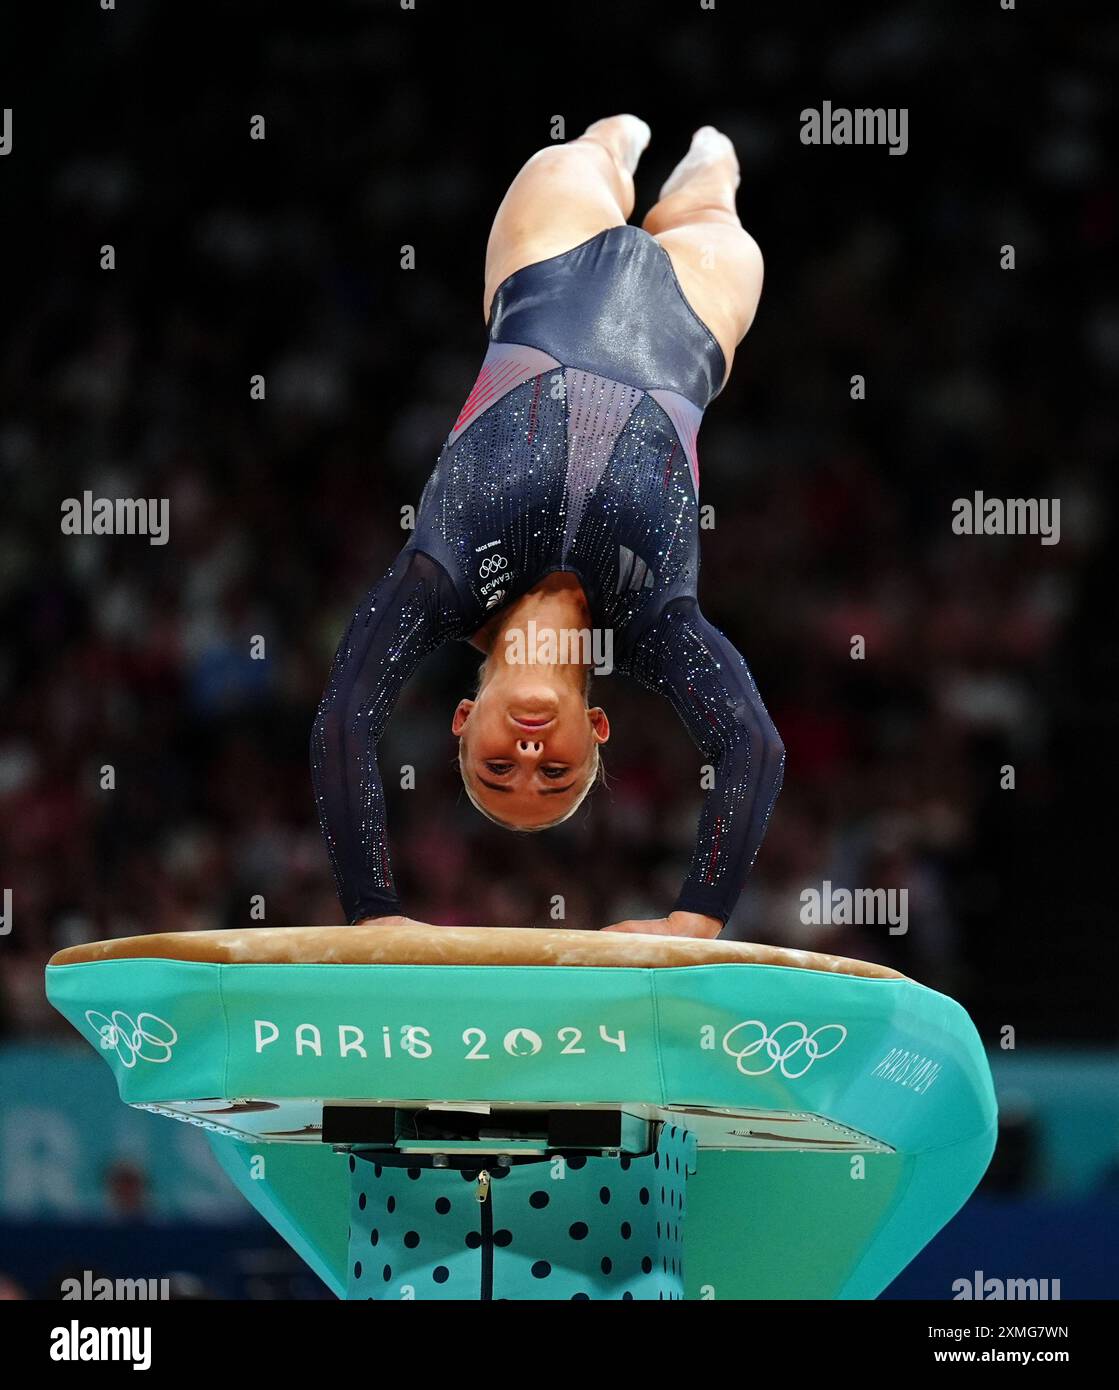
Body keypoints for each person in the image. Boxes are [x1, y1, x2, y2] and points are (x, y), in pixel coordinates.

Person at [312, 116, 784, 940]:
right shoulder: (651, 624)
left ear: (463, 718)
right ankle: (708, 164)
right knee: (711, 192)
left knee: (591, 151)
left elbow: (346, 717)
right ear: (595, 729)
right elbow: (752, 746)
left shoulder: (440, 582)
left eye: (498, 767)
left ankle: (618, 143)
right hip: (698, 318)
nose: (528, 757)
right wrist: (694, 921)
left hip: (545, 267)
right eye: (556, 770)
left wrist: (374, 914)